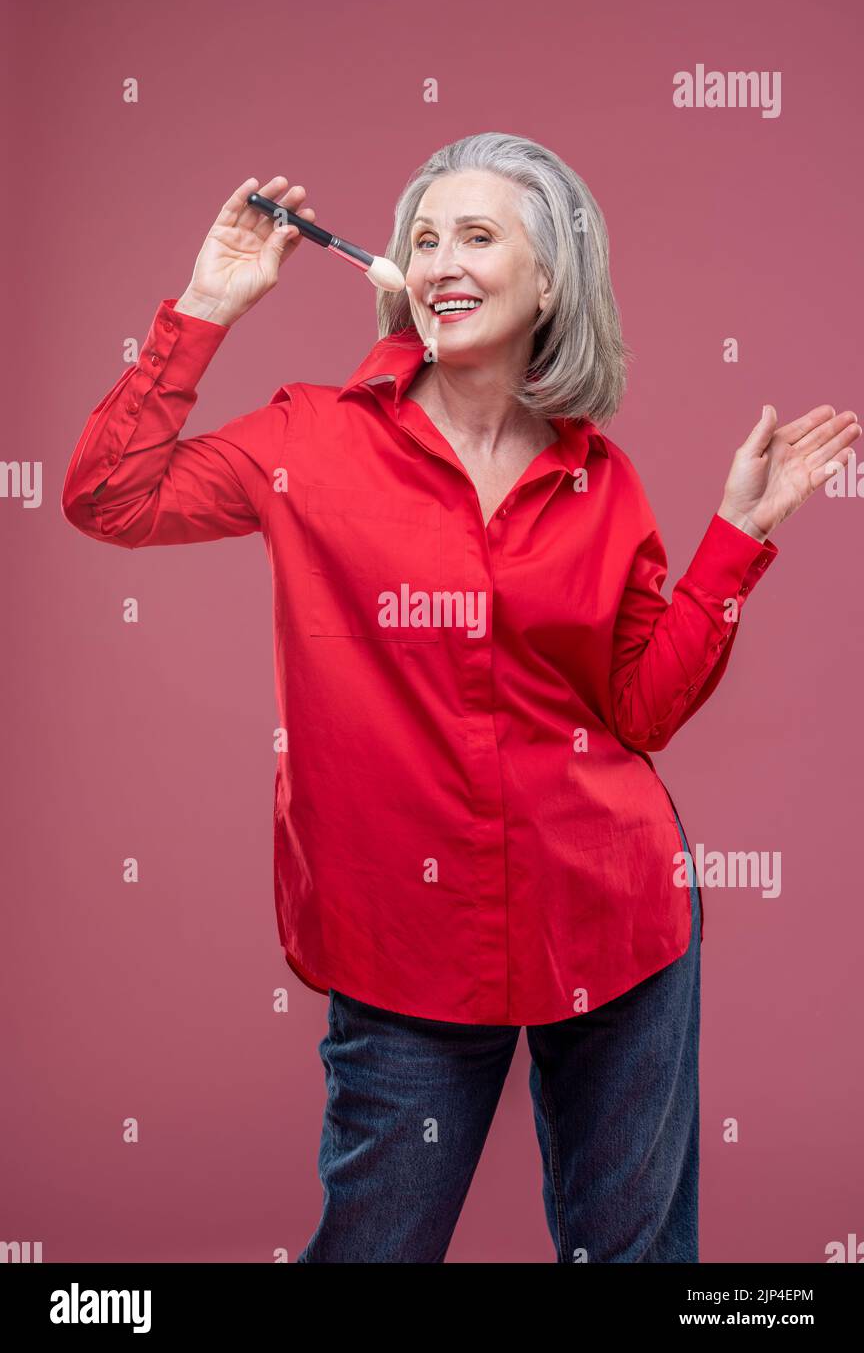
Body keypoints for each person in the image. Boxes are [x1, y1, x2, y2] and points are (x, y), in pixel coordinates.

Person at [61, 132, 859, 1263]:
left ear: (549, 282)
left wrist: (740, 536)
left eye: (479, 237)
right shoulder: (308, 438)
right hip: (402, 944)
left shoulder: (601, 479)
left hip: (616, 920)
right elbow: (105, 494)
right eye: (423, 238)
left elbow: (640, 715)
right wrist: (205, 304)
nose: (441, 259)